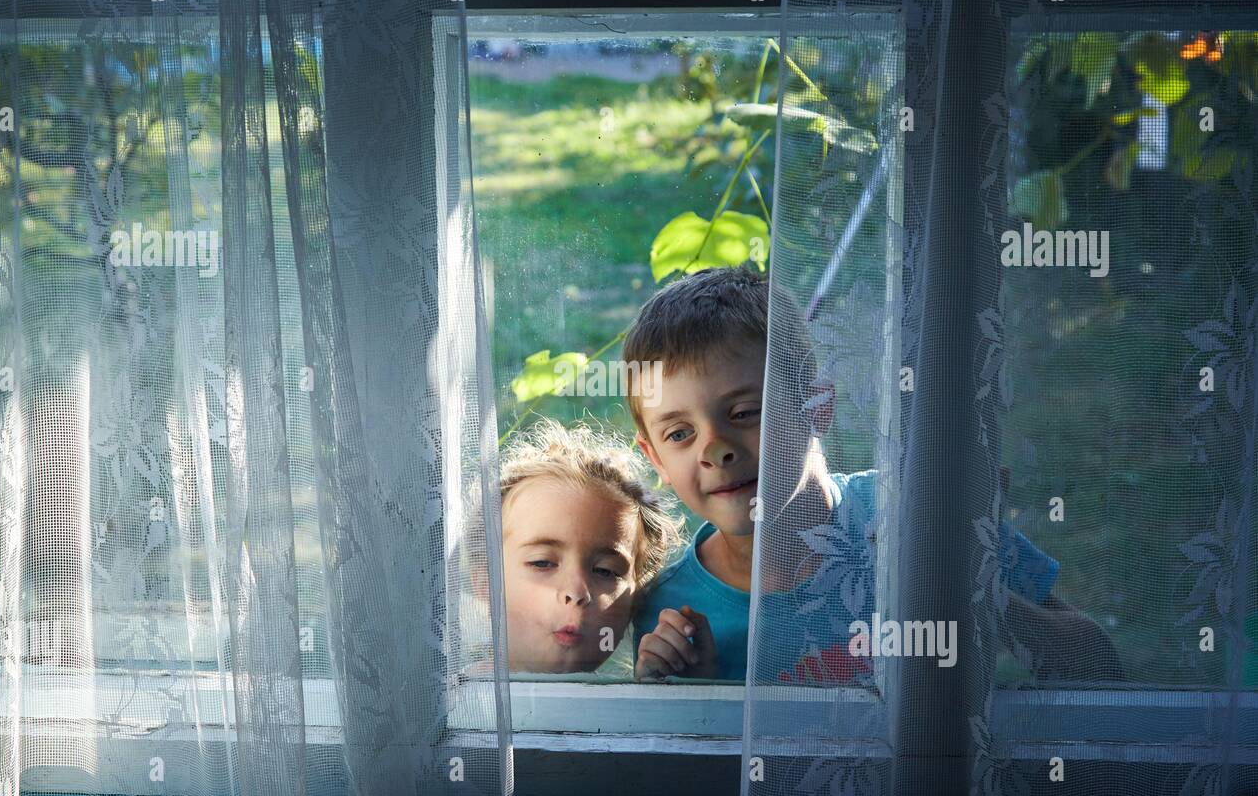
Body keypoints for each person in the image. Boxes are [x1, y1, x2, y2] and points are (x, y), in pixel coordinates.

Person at [624, 267, 1123, 684]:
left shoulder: (910, 513)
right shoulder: (668, 611)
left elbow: (1102, 672)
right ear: (656, 460)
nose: (715, 450)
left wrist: (972, 589)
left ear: (817, 408)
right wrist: (690, 693)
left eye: (745, 412)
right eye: (680, 434)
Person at [479, 417, 683, 675]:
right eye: (542, 562)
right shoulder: (442, 703)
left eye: (605, 571)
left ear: (635, 598)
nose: (577, 593)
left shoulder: (639, 702)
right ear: (485, 581)